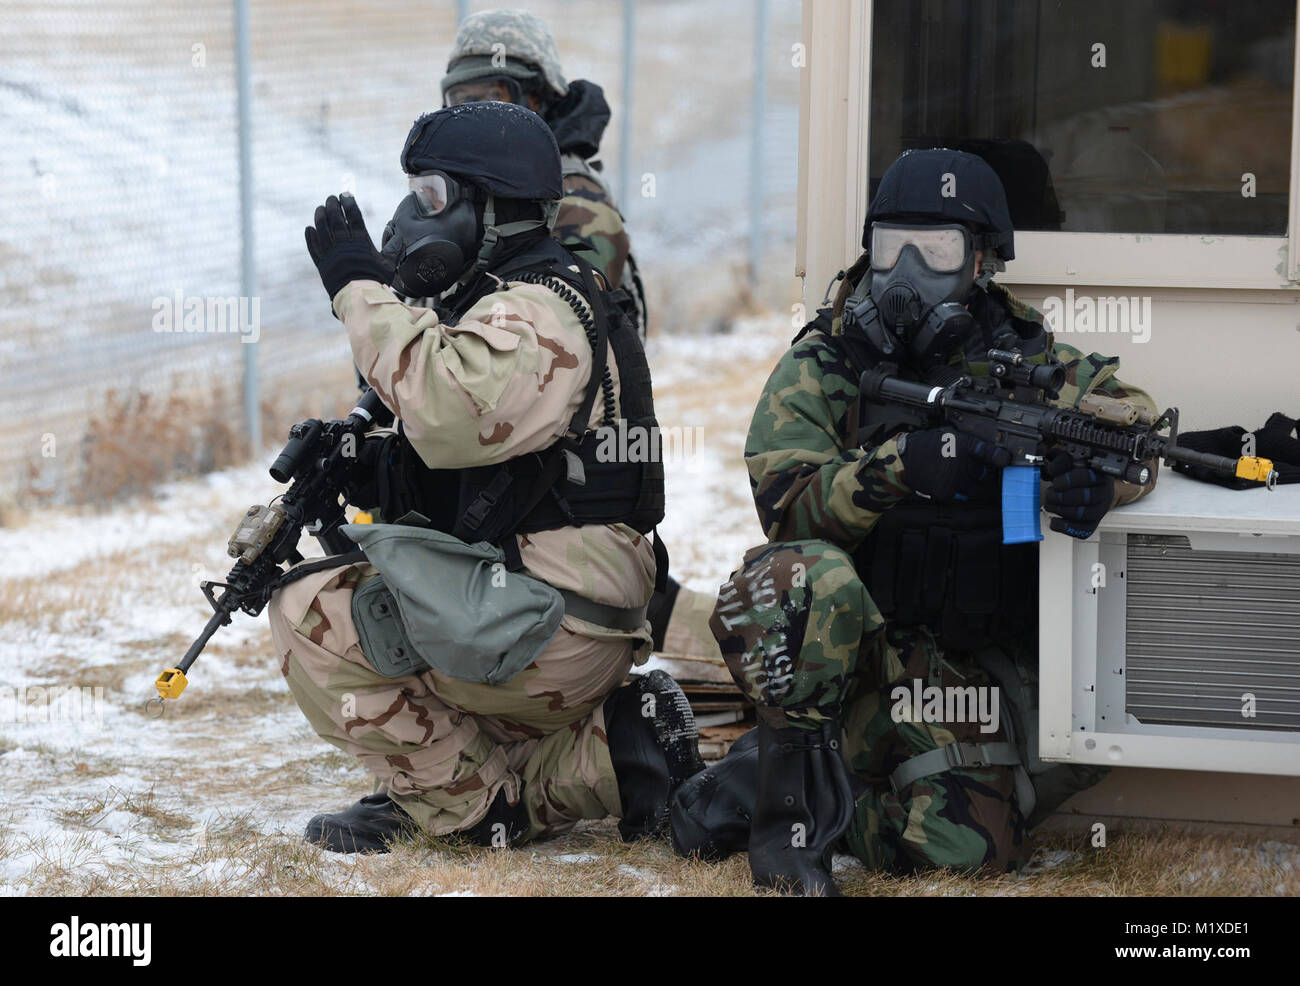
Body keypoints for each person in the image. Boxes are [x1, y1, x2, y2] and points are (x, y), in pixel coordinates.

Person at [669, 148, 1159, 895]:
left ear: (984, 260)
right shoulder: (827, 358)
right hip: (849, 655)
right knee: (796, 574)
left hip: (963, 658)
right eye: (890, 245)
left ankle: (788, 782)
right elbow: (786, 500)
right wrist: (904, 466)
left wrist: (1101, 484)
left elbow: (1133, 425)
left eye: (936, 251)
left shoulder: (1026, 357)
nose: (905, 272)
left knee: (966, 853)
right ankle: (786, 818)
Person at [272, 100, 703, 853]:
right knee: (374, 574)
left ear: (495, 207)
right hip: (558, 607)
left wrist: (359, 288)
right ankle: (612, 756)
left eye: (433, 196)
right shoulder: (520, 299)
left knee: (312, 610)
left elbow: (451, 410)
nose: (413, 215)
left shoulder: (539, 308)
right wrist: (375, 469)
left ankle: (474, 810)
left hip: (550, 622)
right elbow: (487, 466)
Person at [438, 6, 723, 664]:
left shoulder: (571, 202)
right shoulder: (475, 201)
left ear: (539, 100)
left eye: (495, 100)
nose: (479, 118)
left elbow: (575, 345)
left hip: (561, 474)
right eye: (463, 103)